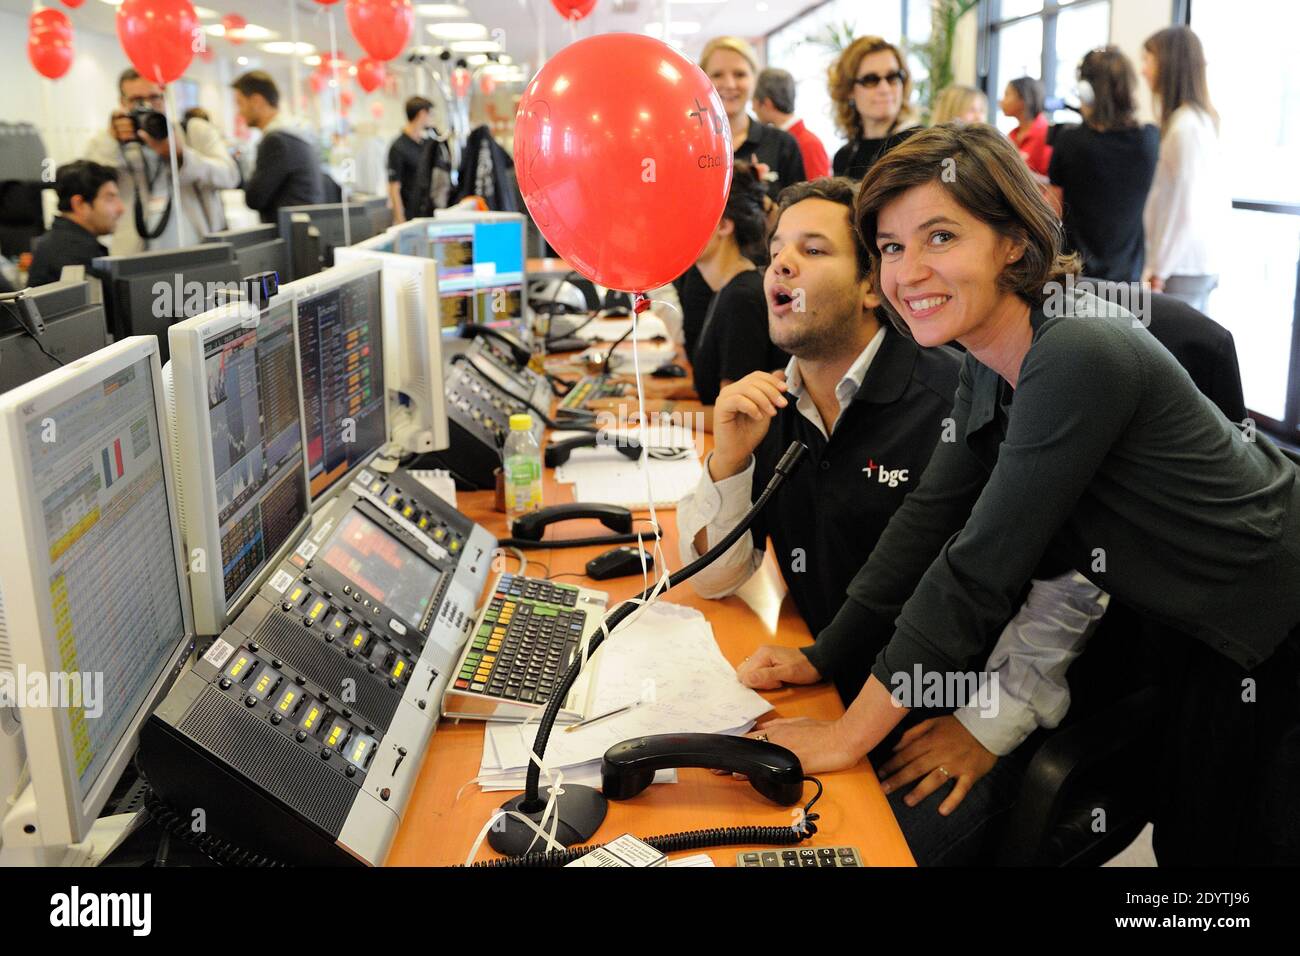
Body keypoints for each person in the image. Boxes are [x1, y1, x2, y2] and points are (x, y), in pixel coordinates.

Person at [736, 123, 1300, 866]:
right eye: (892, 247)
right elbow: (929, 520)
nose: (908, 272)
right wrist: (824, 655)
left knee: (1240, 855)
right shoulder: (989, 356)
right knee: (1201, 841)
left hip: (1276, 618)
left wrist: (847, 736)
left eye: (941, 237)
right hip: (1199, 627)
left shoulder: (1076, 349)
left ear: (1013, 240)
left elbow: (978, 566)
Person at [677, 176, 961, 637]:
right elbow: (714, 579)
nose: (780, 265)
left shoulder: (952, 402)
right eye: (775, 252)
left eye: (812, 250)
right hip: (814, 664)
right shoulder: (771, 407)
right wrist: (729, 462)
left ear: (872, 286)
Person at [84, 69, 238, 253]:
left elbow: (230, 176)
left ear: (165, 97)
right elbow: (89, 185)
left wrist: (181, 155)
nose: (148, 105)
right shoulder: (110, 141)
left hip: (200, 247)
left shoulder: (193, 131)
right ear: (123, 103)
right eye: (137, 100)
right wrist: (111, 140)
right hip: (136, 254)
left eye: (154, 97)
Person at [1047, 47, 1160, 283]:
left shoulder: (1069, 141)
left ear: (1086, 91)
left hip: (1076, 275)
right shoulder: (1150, 139)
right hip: (1128, 278)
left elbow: (1054, 209)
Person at [1140, 26, 1226, 312]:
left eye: (1148, 60)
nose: (1143, 70)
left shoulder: (1185, 126)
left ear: (1168, 64)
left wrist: (1159, 269)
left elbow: (1182, 205)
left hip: (1180, 267)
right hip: (1189, 263)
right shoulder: (1197, 120)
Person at [700, 37, 806, 200]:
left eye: (739, 74)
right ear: (702, 80)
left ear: (754, 80)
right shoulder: (690, 147)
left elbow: (799, 211)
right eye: (717, 75)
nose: (729, 84)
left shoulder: (783, 144)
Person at [232, 70, 325, 222]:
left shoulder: (276, 140)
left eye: (240, 103)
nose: (239, 112)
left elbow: (254, 199)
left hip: (289, 232)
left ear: (256, 101)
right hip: (301, 227)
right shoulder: (293, 134)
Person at [828, 36, 921, 180]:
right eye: (870, 80)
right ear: (849, 90)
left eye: (892, 77)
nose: (884, 89)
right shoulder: (843, 158)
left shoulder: (921, 145)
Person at [27, 161, 125, 287]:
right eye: (110, 198)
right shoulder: (74, 253)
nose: (121, 208)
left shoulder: (62, 242)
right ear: (79, 204)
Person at [753, 68, 831, 180]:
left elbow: (820, 190)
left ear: (766, 103)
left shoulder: (809, 144)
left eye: (753, 102)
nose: (753, 108)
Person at [388, 96, 449, 223]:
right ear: (422, 114)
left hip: (430, 213)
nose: (432, 119)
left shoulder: (427, 144)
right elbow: (394, 187)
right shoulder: (398, 147)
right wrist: (400, 220)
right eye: (431, 115)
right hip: (411, 215)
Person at [999, 76, 1051, 178]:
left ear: (1023, 99)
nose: (1002, 101)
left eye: (1007, 95)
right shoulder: (1012, 135)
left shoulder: (1046, 135)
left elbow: (1052, 181)